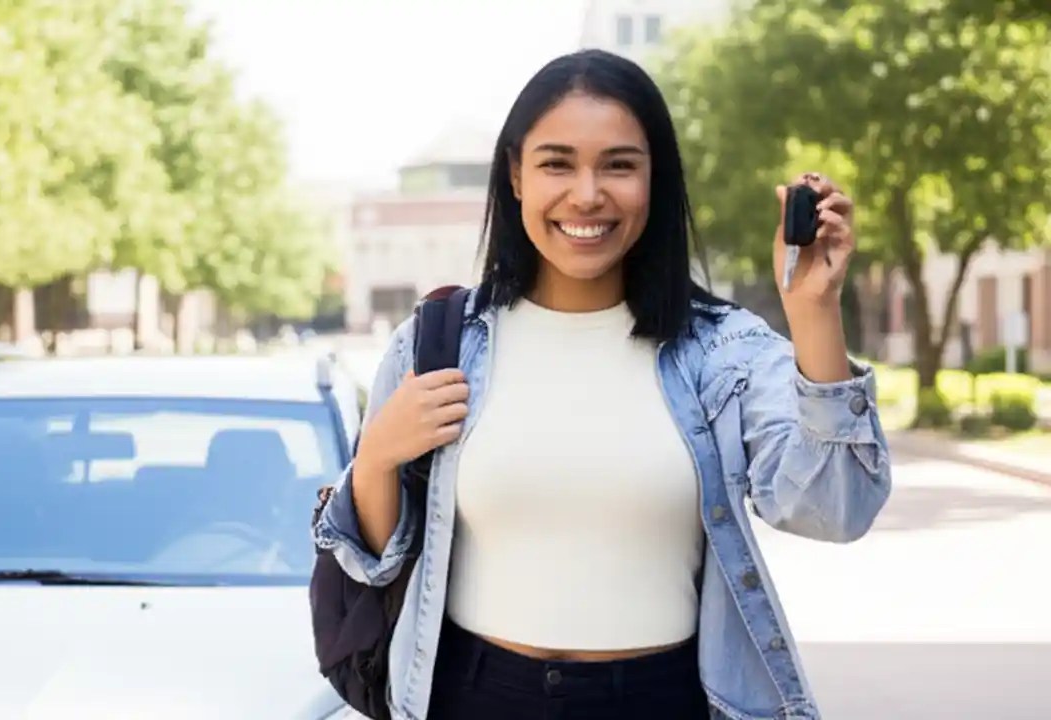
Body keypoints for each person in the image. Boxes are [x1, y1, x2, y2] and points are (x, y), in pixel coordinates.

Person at [313, 48, 891, 720]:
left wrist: (814, 312)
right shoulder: (440, 342)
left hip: (664, 699)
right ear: (516, 175)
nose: (587, 194)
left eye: (619, 165)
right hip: (476, 696)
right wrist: (379, 454)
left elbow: (836, 510)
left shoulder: (720, 349)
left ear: (656, 178)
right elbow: (373, 564)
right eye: (557, 162)